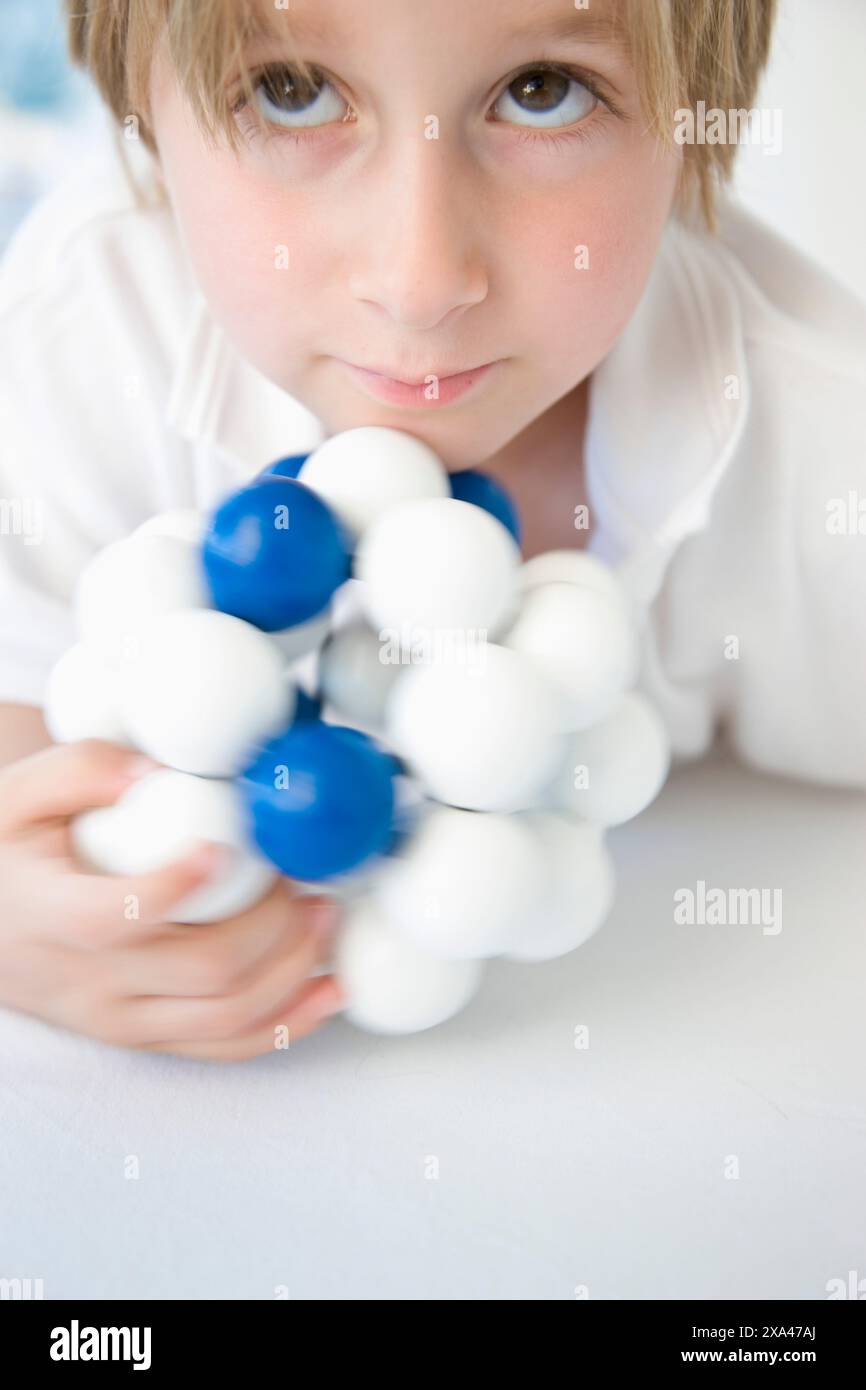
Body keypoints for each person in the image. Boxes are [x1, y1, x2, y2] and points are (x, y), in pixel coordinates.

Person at [0, 0, 862, 1059]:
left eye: (541, 89)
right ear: (143, 109)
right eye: (289, 89)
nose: (417, 282)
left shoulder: (819, 462)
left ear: (697, 116)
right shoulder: (79, 339)